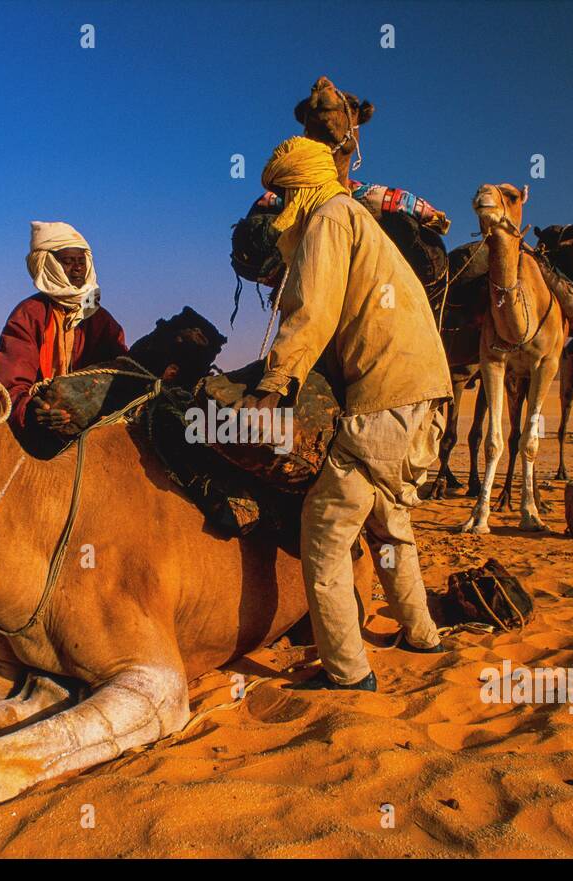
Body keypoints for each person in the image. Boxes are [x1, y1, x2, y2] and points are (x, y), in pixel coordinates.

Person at [238, 137, 453, 691]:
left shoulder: (330, 219)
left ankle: (348, 671)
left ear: (301, 188)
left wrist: (273, 383)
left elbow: (313, 310)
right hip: (422, 394)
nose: (280, 205)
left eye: (283, 193)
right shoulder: (357, 216)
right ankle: (422, 632)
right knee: (388, 522)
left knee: (325, 533)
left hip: (384, 401)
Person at [0, 221, 128, 433]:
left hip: (94, 428)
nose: (77, 268)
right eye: (68, 261)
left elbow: (121, 370)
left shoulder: (99, 318)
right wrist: (31, 411)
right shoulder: (30, 314)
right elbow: (8, 386)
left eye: (81, 261)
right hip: (37, 433)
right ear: (49, 265)